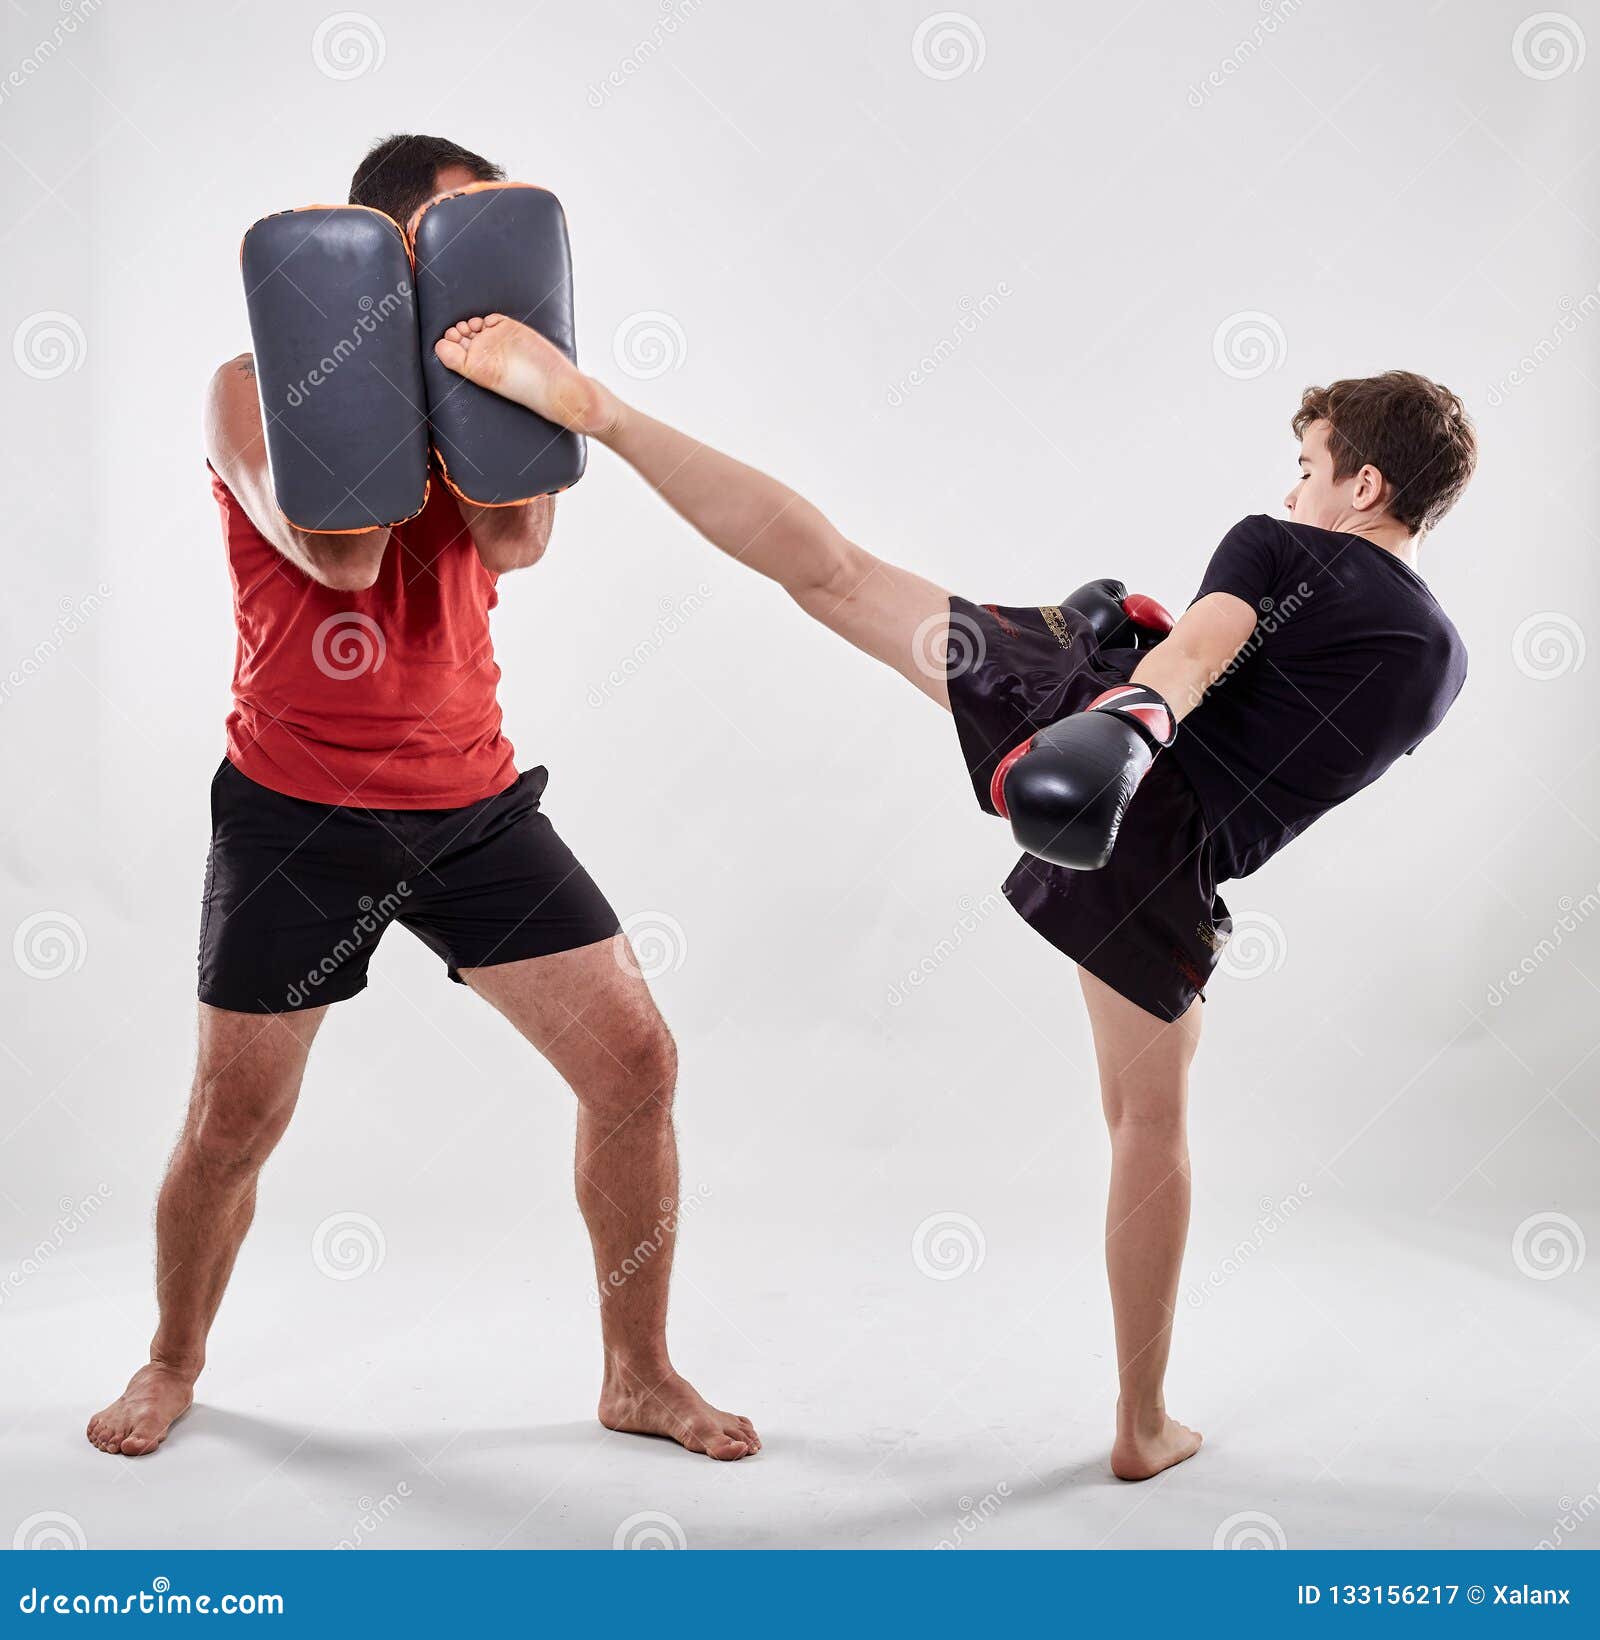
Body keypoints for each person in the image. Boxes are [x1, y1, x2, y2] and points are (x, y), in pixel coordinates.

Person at [431, 313, 1475, 1479]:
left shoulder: (1280, 550)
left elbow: (1202, 655)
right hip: (1169, 864)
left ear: (1364, 482)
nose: (1289, 489)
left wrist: (1126, 709)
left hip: (1099, 734)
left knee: (833, 571)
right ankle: (1142, 1423)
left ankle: (608, 415)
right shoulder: (1439, 658)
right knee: (1150, 1125)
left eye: (1308, 467)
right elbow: (1285, 732)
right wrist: (1153, 671)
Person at [85, 136, 759, 1464]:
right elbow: (335, 557)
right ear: (388, 251)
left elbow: (518, 538)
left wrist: (508, 398)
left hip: (470, 807)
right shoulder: (245, 388)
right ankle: (172, 1359)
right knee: (235, 1122)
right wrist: (367, 388)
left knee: (637, 1067)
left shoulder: (488, 402)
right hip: (294, 815)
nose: (482, 276)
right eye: (456, 242)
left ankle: (639, 1373)